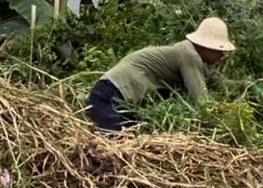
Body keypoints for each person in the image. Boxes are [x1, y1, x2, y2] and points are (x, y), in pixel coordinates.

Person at [86, 17, 235, 132]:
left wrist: (248, 87)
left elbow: (215, 80)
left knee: (127, 144)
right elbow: (202, 101)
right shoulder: (189, 55)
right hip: (110, 94)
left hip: (119, 97)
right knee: (112, 150)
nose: (221, 54)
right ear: (206, 46)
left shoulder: (191, 56)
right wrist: (226, 116)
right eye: (219, 49)